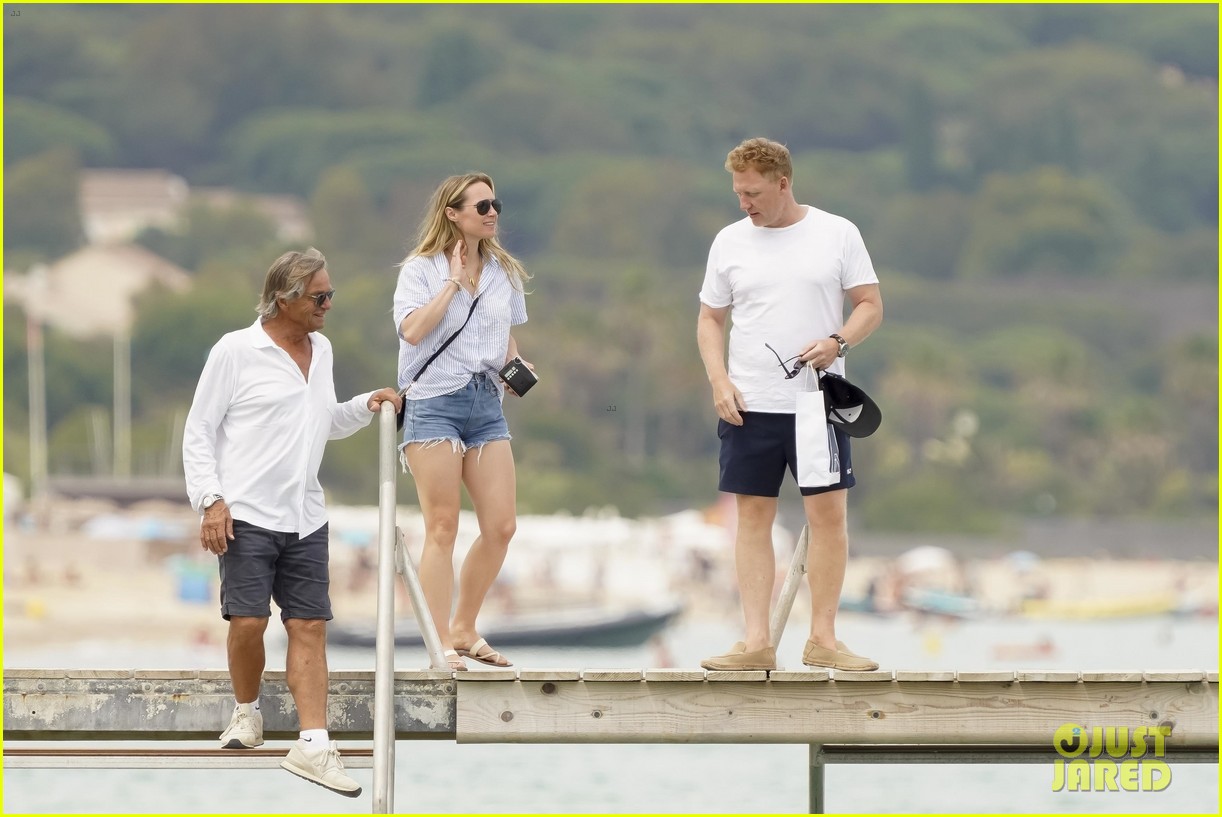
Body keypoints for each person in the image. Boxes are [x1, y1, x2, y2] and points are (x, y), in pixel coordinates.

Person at [182, 248, 401, 797]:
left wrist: (366, 404)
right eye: (319, 297)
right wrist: (211, 500)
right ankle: (247, 711)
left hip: (305, 514)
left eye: (331, 295)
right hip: (246, 513)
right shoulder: (236, 350)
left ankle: (312, 744)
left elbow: (321, 420)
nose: (329, 305)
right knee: (249, 623)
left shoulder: (321, 349)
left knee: (309, 627)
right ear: (285, 299)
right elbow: (198, 431)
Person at [696, 138, 884, 672]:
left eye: (753, 192)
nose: (744, 203)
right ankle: (757, 642)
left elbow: (870, 305)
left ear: (783, 183)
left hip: (816, 403)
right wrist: (718, 380)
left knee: (828, 518)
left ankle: (822, 638)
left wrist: (839, 342)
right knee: (752, 517)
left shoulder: (837, 233)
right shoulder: (729, 242)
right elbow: (710, 318)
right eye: (737, 193)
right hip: (747, 402)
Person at [393, 172, 531, 672]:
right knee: (443, 526)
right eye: (482, 205)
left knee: (501, 525)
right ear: (453, 213)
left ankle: (464, 627)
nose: (492, 213)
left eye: (496, 204)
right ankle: (438, 644)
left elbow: (503, 339)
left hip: (486, 401)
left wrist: (518, 369)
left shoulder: (504, 273)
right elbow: (412, 332)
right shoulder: (420, 269)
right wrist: (453, 283)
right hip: (434, 400)